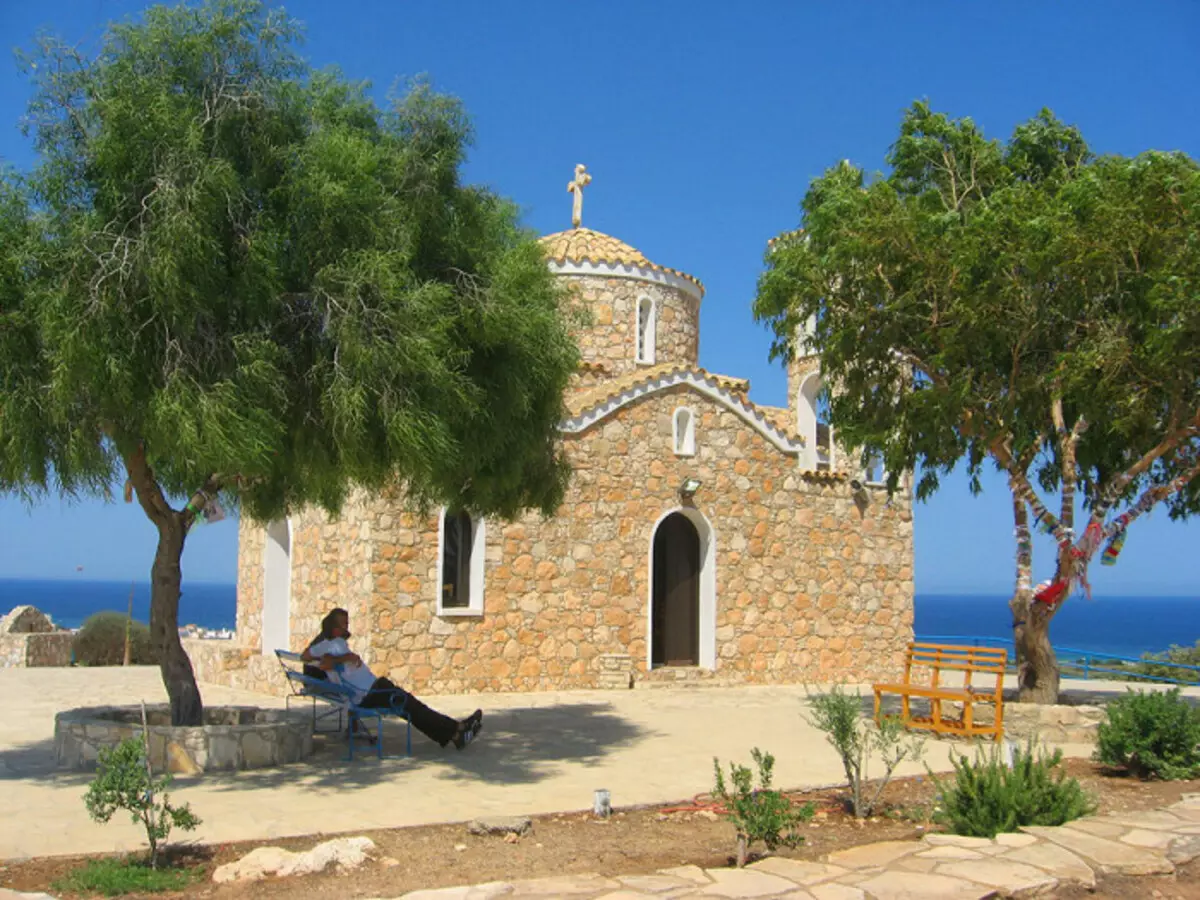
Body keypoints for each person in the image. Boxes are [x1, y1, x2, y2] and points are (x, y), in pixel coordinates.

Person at [302, 608, 482, 750]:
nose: (347, 628)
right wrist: (345, 658)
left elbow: (317, 659)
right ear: (334, 627)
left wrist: (342, 658)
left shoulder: (336, 643)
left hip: (374, 688)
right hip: (368, 694)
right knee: (412, 706)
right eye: (343, 624)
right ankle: (456, 731)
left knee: (411, 709)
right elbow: (309, 657)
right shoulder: (326, 645)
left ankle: (455, 732)